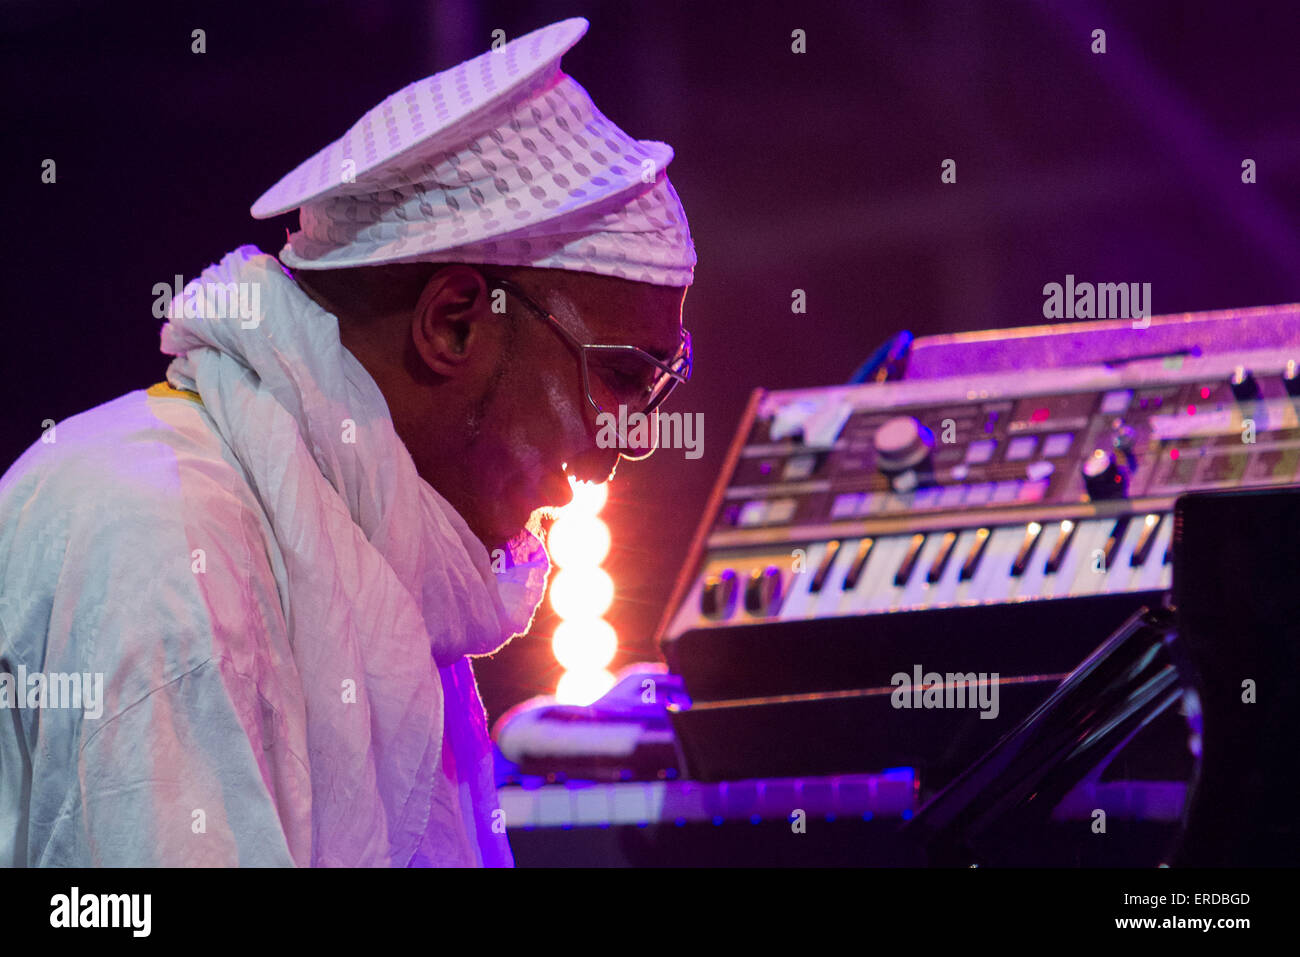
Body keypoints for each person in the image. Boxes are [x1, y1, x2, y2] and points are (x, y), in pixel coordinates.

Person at [0, 17, 695, 867]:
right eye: (622, 377)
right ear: (454, 322)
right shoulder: (160, 532)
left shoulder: (358, 553)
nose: (632, 437)